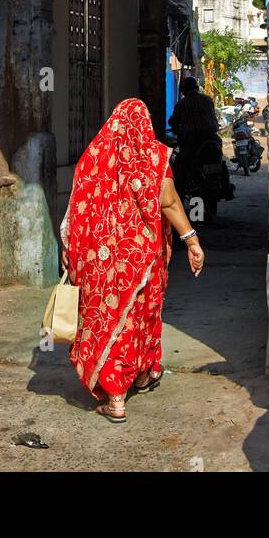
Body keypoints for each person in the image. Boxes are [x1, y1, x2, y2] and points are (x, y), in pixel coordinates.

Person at [60, 96, 205, 424]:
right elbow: (168, 202)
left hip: (104, 260)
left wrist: (74, 255)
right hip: (144, 257)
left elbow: (79, 213)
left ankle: (116, 399)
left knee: (111, 319)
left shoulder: (94, 157)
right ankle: (142, 374)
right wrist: (190, 239)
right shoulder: (156, 155)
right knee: (142, 316)